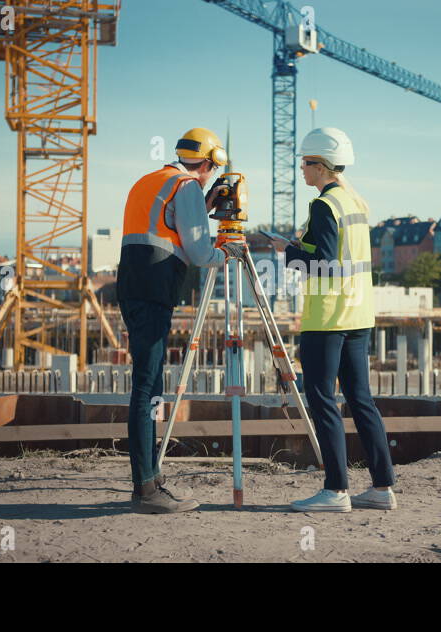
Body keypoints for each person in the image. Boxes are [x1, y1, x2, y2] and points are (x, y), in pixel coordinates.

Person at [265, 127, 396, 512]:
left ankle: (336, 490)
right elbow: (338, 255)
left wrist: (286, 253)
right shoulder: (354, 201)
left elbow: (323, 265)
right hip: (358, 314)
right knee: (361, 400)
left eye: (305, 163)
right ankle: (382, 487)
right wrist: (300, 244)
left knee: (322, 399)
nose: (302, 170)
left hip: (328, 318)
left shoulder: (323, 205)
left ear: (320, 166)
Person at [117, 127, 245, 514]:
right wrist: (226, 254)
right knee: (147, 387)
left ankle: (150, 480)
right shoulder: (186, 185)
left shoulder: (152, 181)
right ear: (207, 163)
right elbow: (197, 249)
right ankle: (145, 488)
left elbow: (163, 224)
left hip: (133, 287)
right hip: (156, 289)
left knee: (148, 383)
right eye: (209, 171)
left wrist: (202, 205)